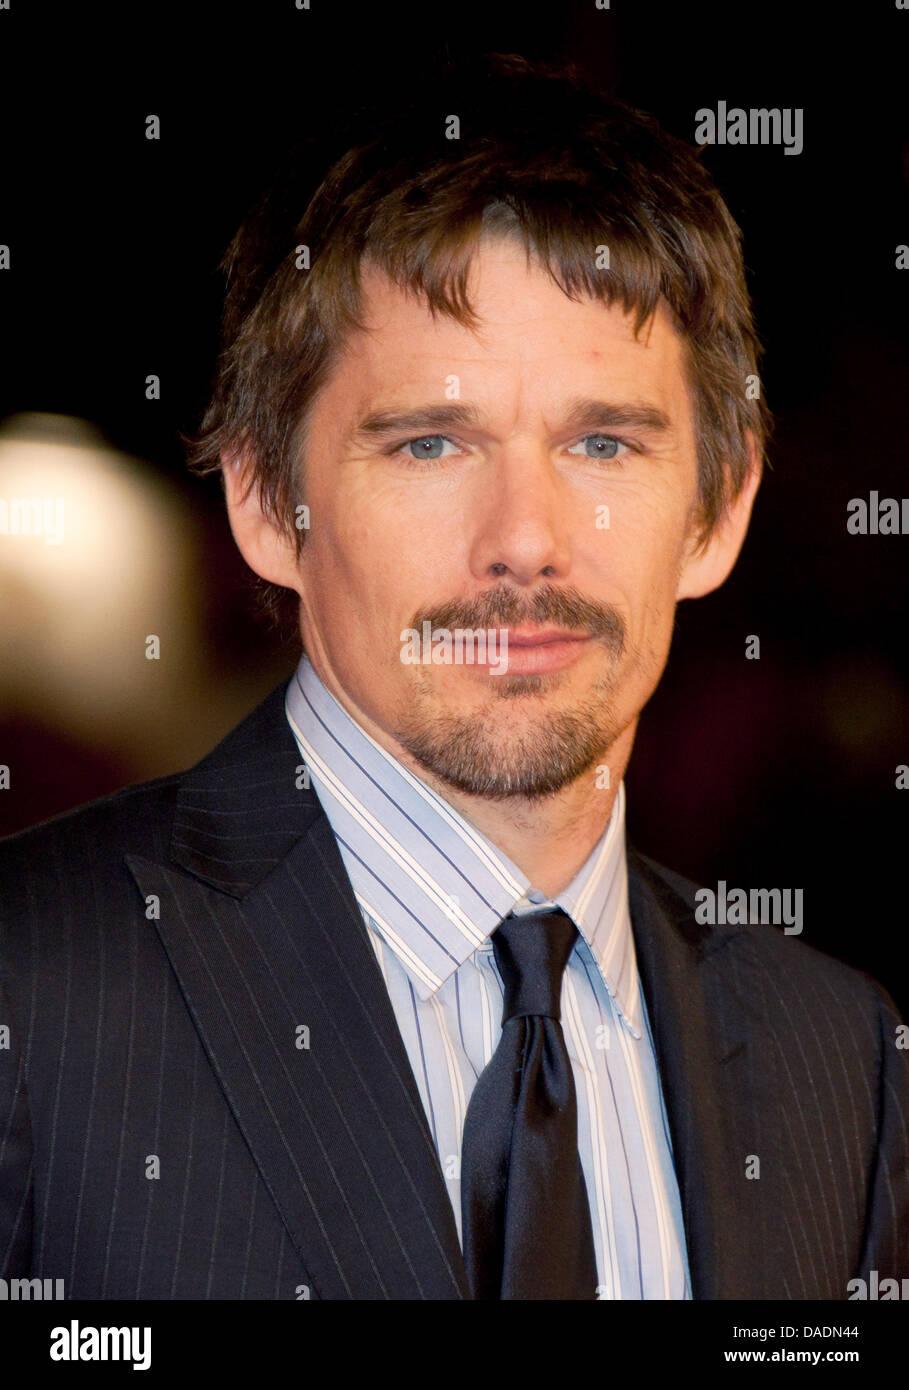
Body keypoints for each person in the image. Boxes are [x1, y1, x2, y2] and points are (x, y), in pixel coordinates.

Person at [1, 53, 906, 1301]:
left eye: (603, 442)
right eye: (432, 441)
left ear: (718, 509)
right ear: (270, 503)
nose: (526, 537)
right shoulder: (32, 993)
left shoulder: (842, 1062)